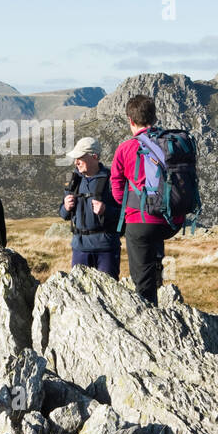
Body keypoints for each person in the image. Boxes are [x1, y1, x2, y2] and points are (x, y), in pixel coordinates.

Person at [110, 95, 176, 306]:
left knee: (142, 283)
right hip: (171, 220)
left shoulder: (125, 148)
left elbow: (117, 188)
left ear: (130, 120)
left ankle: (151, 320)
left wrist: (131, 207)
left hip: (140, 221)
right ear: (155, 118)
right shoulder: (170, 143)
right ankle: (159, 274)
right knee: (155, 260)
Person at [59, 136, 122, 278]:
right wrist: (66, 208)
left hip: (106, 248)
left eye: (80, 157)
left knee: (108, 295)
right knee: (79, 295)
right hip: (79, 248)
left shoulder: (112, 179)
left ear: (94, 157)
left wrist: (106, 210)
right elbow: (63, 214)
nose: (76, 162)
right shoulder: (72, 180)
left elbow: (124, 215)